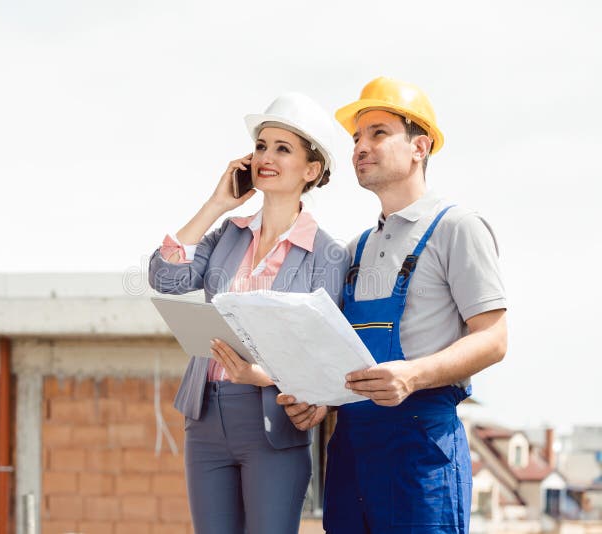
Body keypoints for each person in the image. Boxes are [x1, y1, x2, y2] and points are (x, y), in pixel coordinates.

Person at [277, 77, 509, 533]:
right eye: (357, 138)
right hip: (350, 449)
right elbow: (336, 351)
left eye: (378, 132)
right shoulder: (354, 251)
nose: (361, 146)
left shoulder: (457, 228)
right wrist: (320, 400)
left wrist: (413, 374)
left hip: (421, 448)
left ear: (420, 146)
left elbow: (494, 338)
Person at [148, 92, 350, 534]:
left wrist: (262, 374)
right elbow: (164, 277)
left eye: (283, 148)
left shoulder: (329, 255)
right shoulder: (227, 234)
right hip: (206, 417)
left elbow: (324, 358)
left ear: (311, 170)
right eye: (261, 146)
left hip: (272, 423)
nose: (266, 157)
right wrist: (216, 204)